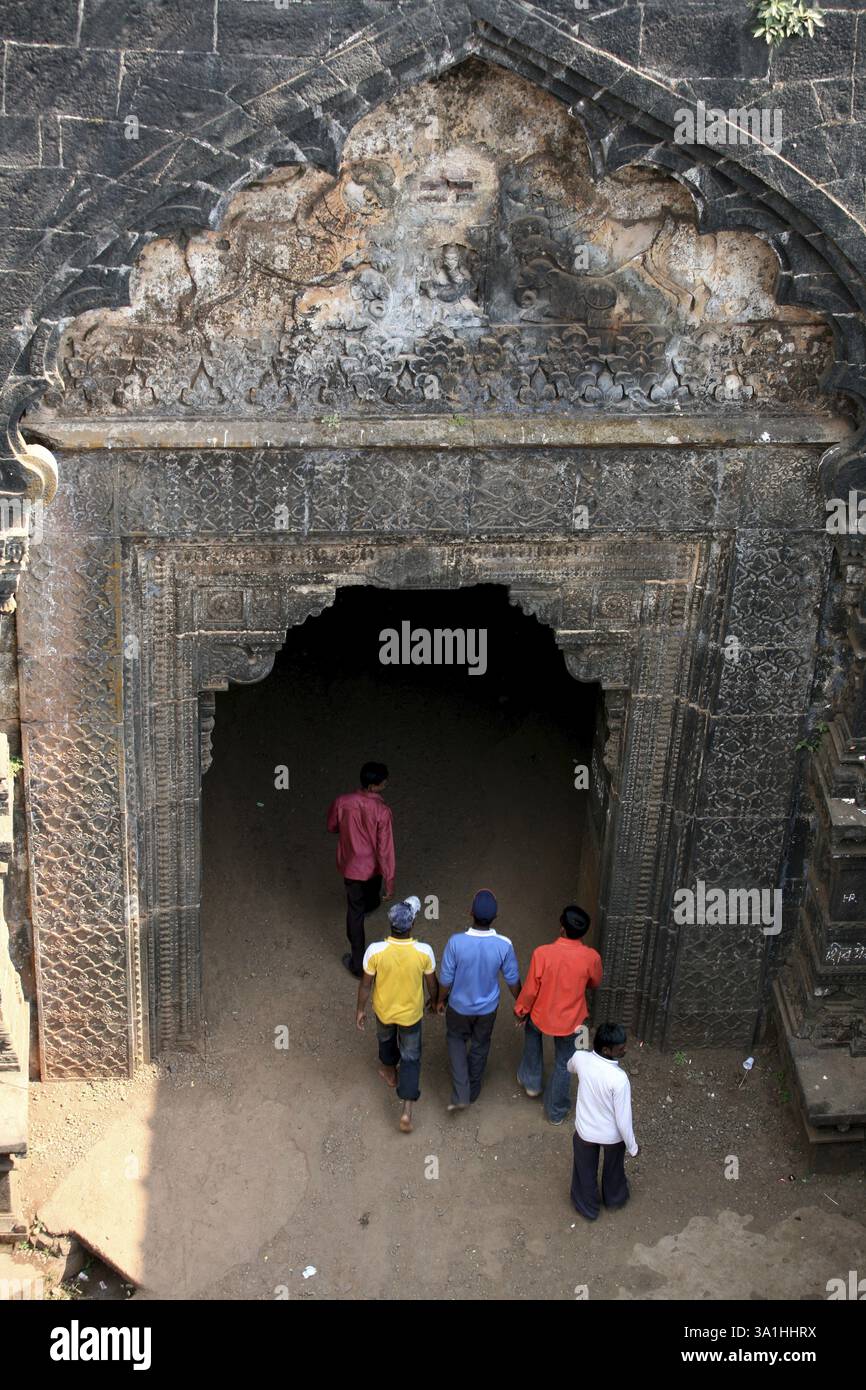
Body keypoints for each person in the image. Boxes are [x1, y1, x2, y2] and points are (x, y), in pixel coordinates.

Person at [514, 905, 602, 1124]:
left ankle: (532, 1082)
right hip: (571, 1021)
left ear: (561, 928)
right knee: (564, 1063)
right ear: (583, 933)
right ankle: (556, 1112)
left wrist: (521, 1011)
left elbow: (531, 990)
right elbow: (595, 982)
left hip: (541, 1015)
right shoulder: (591, 957)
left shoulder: (542, 953)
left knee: (532, 1035)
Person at [356, 901, 438, 1133]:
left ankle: (390, 1072)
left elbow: (365, 985)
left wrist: (360, 1009)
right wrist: (435, 1002)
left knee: (385, 1039)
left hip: (384, 1011)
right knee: (411, 1058)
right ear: (412, 924)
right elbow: (432, 984)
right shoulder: (424, 952)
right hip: (411, 1016)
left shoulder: (375, 951)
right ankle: (406, 1111)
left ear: (391, 924)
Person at [437, 890, 521, 1111]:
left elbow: (446, 979)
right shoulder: (504, 944)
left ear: (470, 912)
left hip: (458, 1007)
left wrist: (439, 999)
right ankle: (473, 1089)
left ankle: (461, 1092)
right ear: (496, 916)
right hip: (487, 1009)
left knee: (455, 1041)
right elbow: (512, 980)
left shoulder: (456, 942)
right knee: (480, 1045)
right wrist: (522, 1005)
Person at [327, 761, 395, 978]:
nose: (386, 783)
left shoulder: (342, 802)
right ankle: (372, 902)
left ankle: (357, 962)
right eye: (384, 781)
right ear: (374, 786)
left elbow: (332, 826)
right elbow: (385, 849)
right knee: (372, 890)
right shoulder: (383, 811)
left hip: (351, 867)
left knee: (354, 912)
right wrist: (390, 881)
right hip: (373, 867)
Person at [567, 1022, 639, 1220]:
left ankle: (587, 1207)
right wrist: (633, 1147)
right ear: (607, 1050)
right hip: (611, 1137)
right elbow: (624, 1120)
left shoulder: (581, 1058)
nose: (625, 1049)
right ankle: (614, 1198)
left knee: (585, 1169)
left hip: (585, 1133)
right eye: (621, 1048)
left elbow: (570, 1066)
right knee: (614, 1168)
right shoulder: (619, 1079)